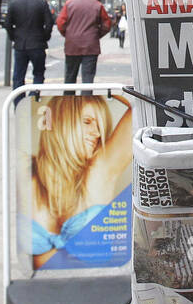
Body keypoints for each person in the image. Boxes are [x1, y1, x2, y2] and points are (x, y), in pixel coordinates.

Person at [30, 93, 133, 268]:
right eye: (87, 122)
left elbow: (142, 109)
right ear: (61, 121)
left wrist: (100, 85)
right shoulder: (27, 167)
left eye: (99, 125)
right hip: (42, 290)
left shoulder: (99, 171)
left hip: (99, 288)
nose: (97, 133)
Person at [57, 0, 112, 83]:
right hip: (91, 46)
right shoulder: (97, 5)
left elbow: (60, 23)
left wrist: (68, 34)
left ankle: (69, 98)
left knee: (69, 78)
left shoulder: (69, 4)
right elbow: (107, 24)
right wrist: (96, 35)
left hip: (72, 45)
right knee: (88, 79)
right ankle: (87, 98)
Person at [4, 0, 55, 88]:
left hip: (20, 44)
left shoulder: (14, 3)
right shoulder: (42, 3)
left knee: (18, 75)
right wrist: (45, 37)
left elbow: (7, 24)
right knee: (38, 73)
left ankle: (19, 102)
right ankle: (34, 98)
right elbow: (49, 23)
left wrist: (13, 37)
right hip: (37, 44)